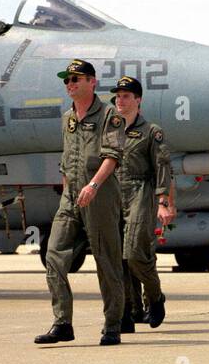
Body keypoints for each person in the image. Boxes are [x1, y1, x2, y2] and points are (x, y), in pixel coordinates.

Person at [36, 59, 128, 346]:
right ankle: (62, 323)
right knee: (53, 255)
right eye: (67, 80)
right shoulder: (68, 117)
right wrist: (69, 189)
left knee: (107, 261)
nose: (70, 84)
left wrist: (93, 185)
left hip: (100, 196)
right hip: (71, 196)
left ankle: (112, 326)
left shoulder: (109, 115)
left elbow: (111, 156)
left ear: (92, 82)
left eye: (76, 79)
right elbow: (68, 158)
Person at [110, 76, 175, 333]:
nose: (120, 100)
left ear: (138, 100)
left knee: (136, 253)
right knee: (118, 259)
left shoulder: (151, 132)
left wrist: (163, 201)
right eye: (118, 96)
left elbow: (162, 166)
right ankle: (127, 311)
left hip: (141, 192)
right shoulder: (108, 131)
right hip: (113, 195)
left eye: (126, 96)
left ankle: (155, 297)